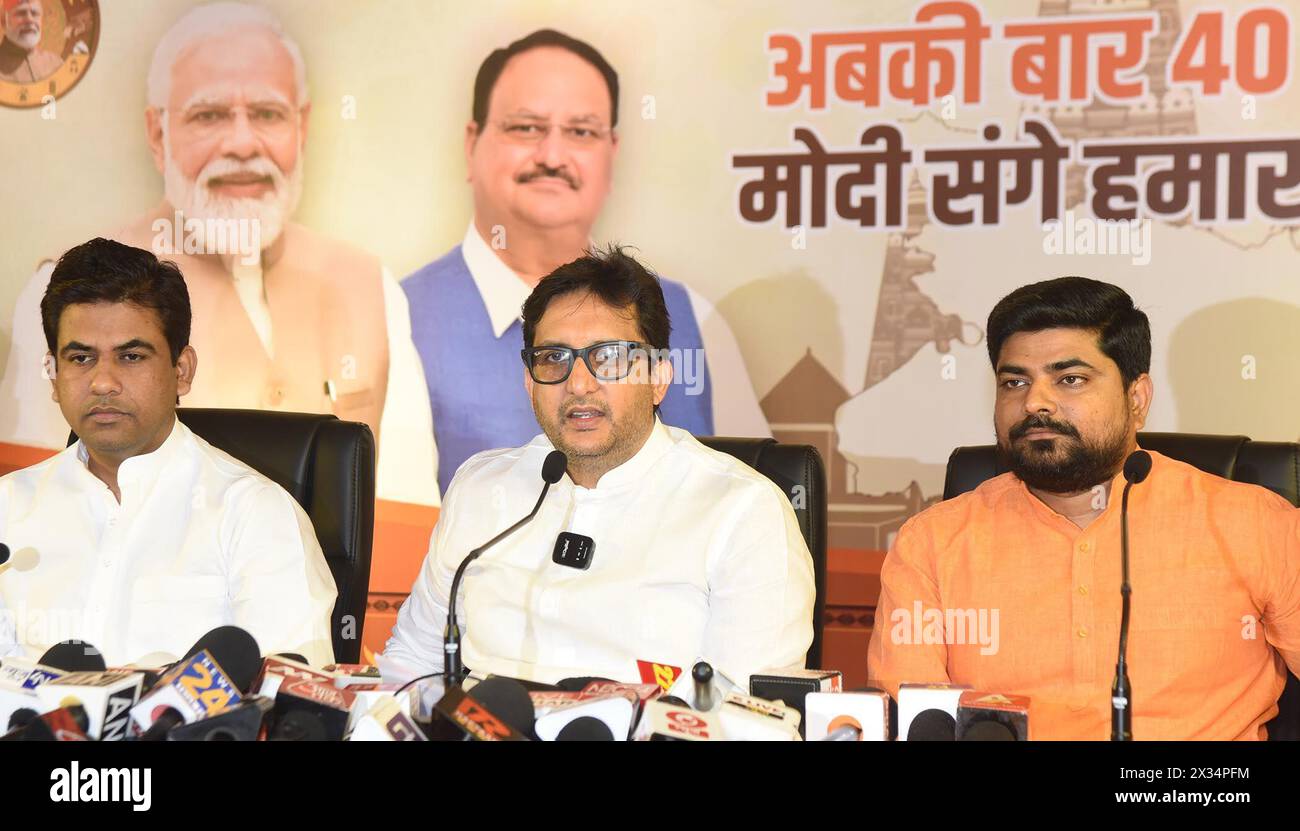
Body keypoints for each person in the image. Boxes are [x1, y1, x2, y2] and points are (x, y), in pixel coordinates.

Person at [0, 2, 438, 505]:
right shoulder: (68, 294)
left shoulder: (369, 286)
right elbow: (37, 505)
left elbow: (409, 509)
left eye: (267, 114)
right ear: (157, 134)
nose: (242, 143)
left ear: (302, 126)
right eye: (208, 115)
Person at [867, 277, 1300, 740]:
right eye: (1015, 381)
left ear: (1137, 399)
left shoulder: (1256, 525)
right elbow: (913, 724)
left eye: (1070, 379)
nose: (1035, 402)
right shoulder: (931, 544)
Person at [383, 247, 813, 685]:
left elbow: (749, 715)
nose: (579, 384)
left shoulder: (743, 511)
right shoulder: (480, 487)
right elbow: (412, 662)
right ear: (529, 383)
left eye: (608, 357)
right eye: (554, 358)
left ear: (659, 378)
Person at [403, 28, 768, 495]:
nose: (552, 156)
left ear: (610, 153)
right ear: (472, 143)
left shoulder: (695, 318)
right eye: (525, 127)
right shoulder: (398, 315)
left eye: (581, 132)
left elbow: (746, 490)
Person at [0, 238, 337, 667]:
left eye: (131, 356)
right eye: (81, 358)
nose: (103, 382)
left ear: (182, 370)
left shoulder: (254, 515)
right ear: (54, 375)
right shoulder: (8, 509)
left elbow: (288, 700)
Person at [0, 0, 60, 83]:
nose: (29, 19)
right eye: (21, 13)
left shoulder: (55, 63)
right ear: (4, 22)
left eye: (35, 14)